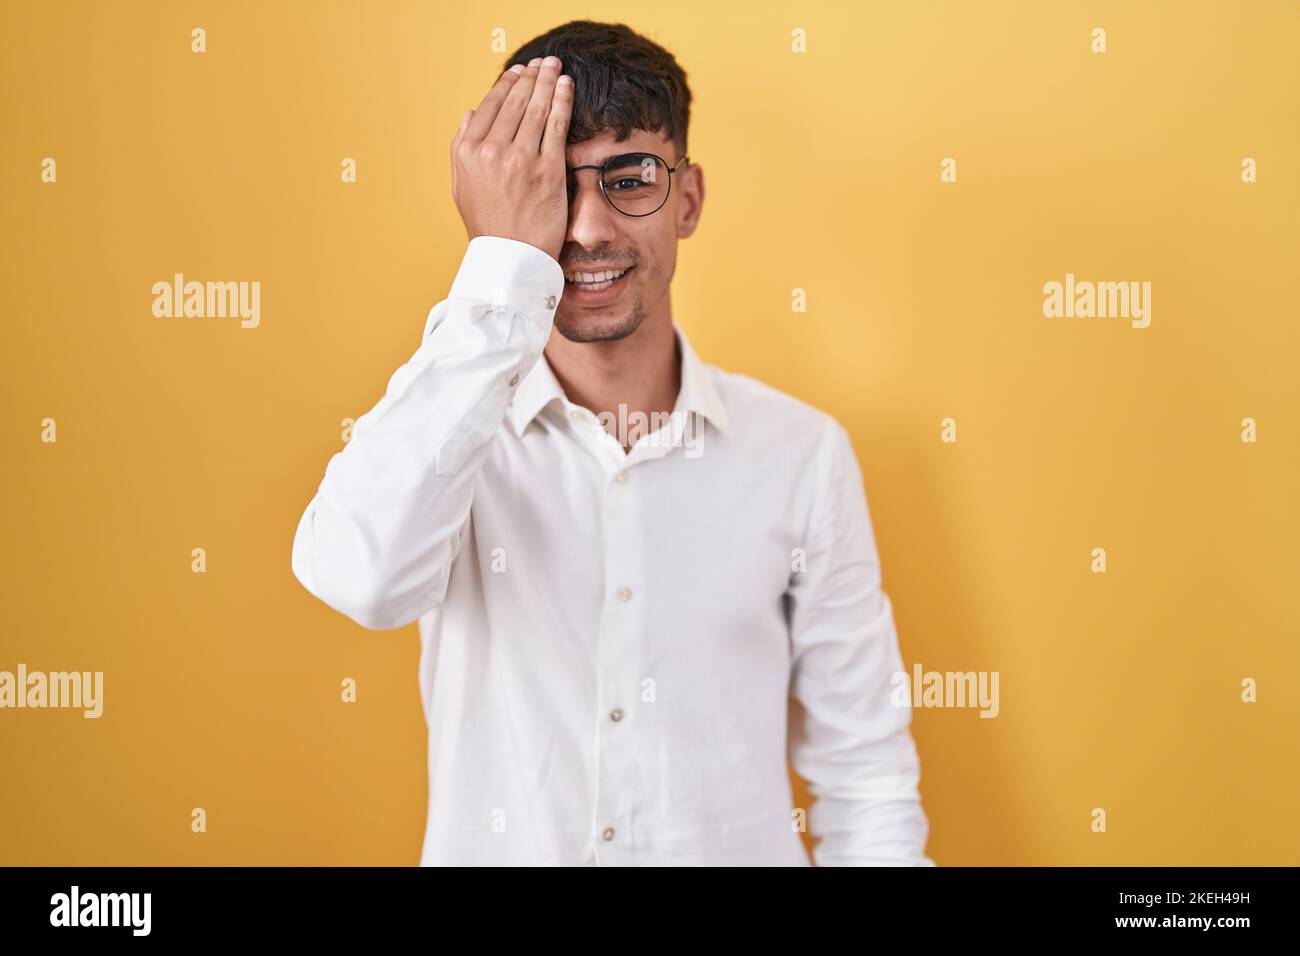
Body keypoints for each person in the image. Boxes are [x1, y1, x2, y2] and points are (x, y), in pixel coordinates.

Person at [291, 19, 934, 866]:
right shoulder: (450, 434)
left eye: (629, 178)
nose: (587, 228)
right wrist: (498, 266)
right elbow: (360, 579)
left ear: (690, 198)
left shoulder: (802, 456)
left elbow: (865, 775)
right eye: (554, 188)